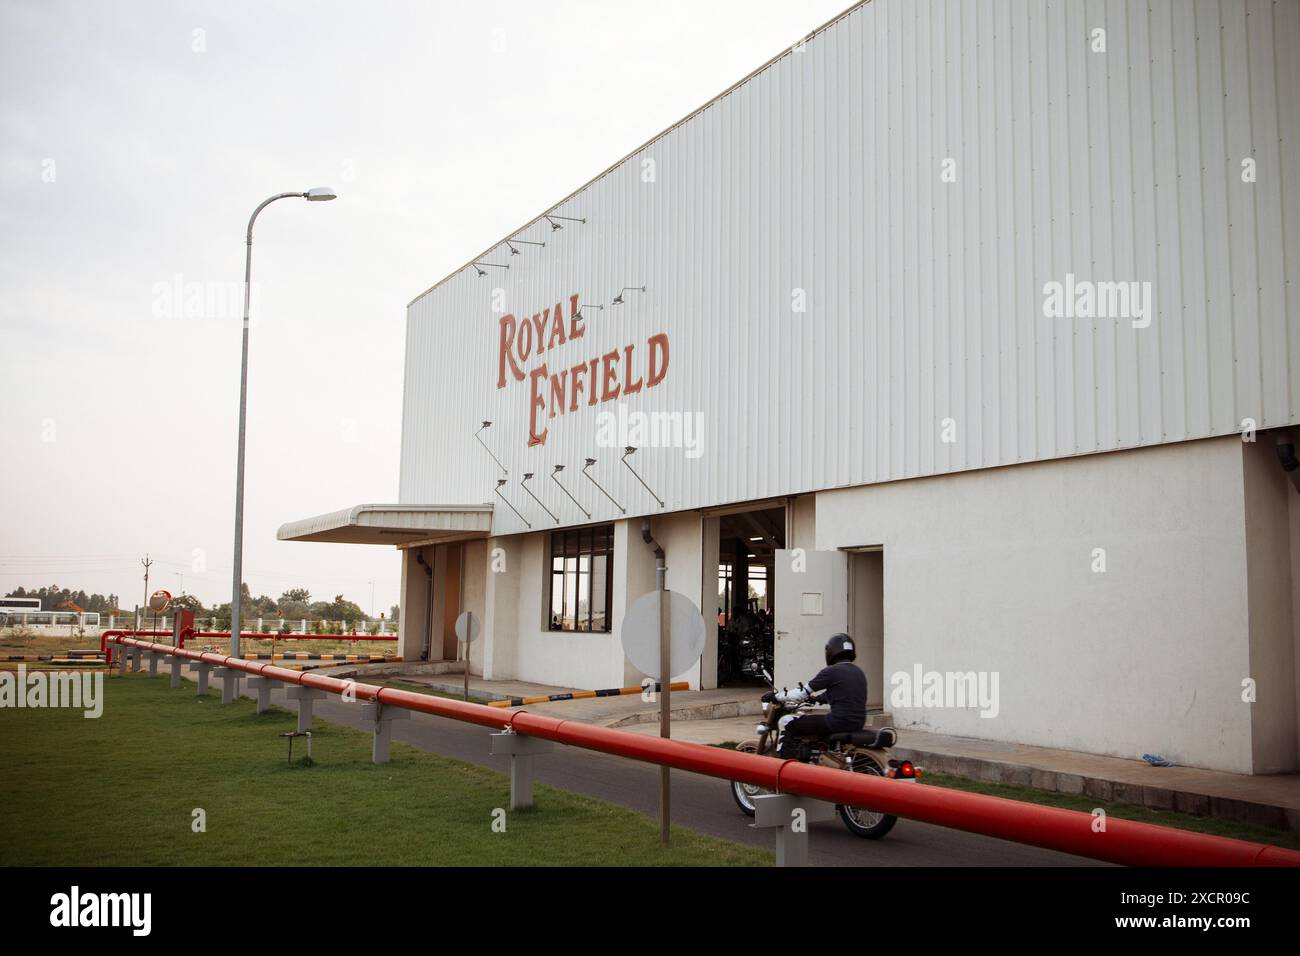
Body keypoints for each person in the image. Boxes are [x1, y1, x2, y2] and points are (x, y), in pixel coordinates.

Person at [774, 633, 867, 758]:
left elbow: (800, 694)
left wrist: (777, 696)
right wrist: (818, 698)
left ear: (831, 651)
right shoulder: (858, 672)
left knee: (786, 721)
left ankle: (786, 765)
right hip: (857, 723)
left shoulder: (831, 671)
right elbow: (841, 693)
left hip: (837, 722)